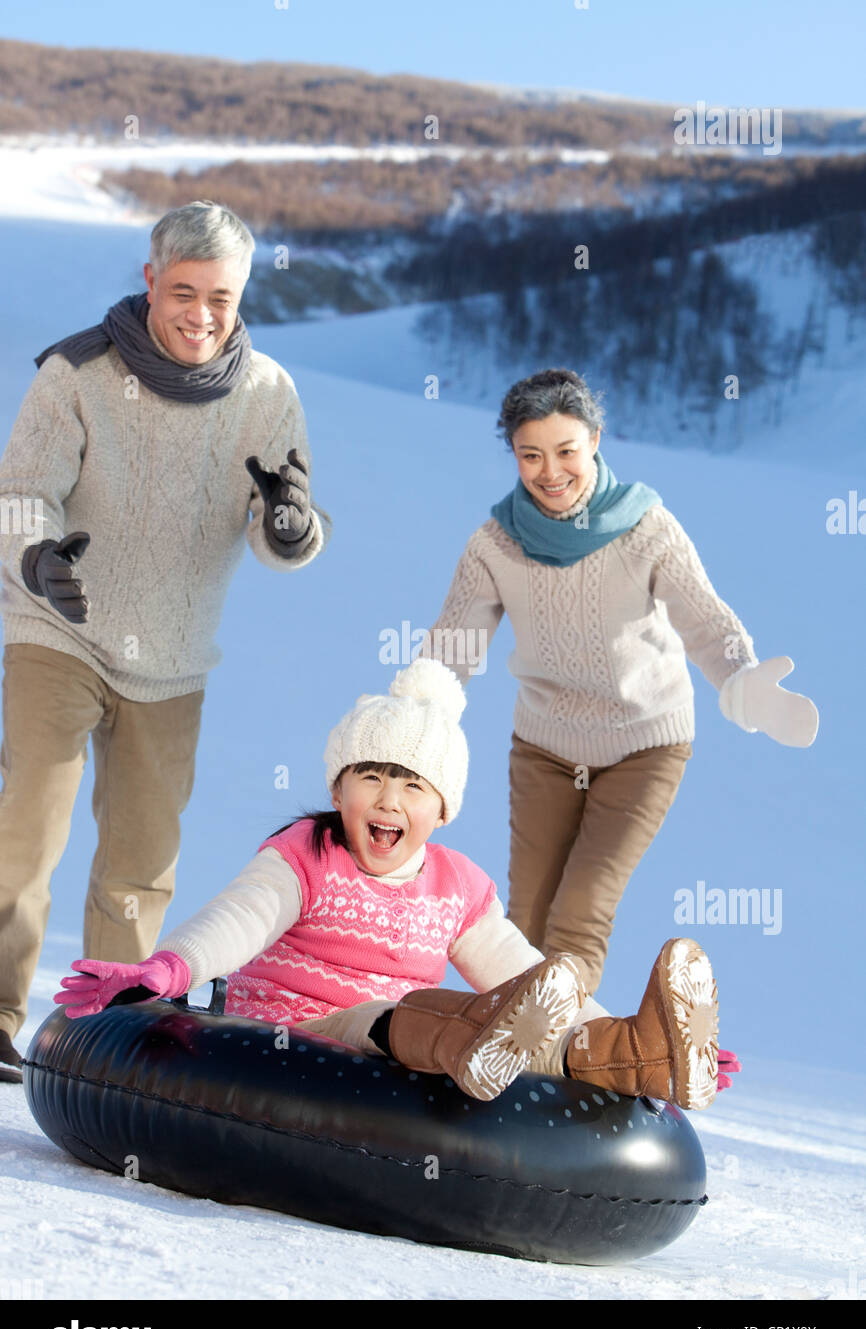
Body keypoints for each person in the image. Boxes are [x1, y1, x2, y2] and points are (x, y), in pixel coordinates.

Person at [54, 658, 740, 1108]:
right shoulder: (308, 852)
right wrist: (170, 969)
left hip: (401, 1047)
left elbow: (532, 977)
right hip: (294, 1039)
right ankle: (478, 1044)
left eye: (412, 786)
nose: (388, 801)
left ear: (440, 810)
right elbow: (243, 915)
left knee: (523, 1017)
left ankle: (641, 1053)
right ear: (339, 787)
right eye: (372, 777)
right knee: (400, 1014)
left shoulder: (456, 886)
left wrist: (610, 1021)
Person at [0, 200, 331, 1081]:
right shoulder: (77, 372)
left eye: (220, 297)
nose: (201, 314)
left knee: (140, 863)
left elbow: (283, 534)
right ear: (150, 280)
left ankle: (98, 1037)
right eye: (183, 292)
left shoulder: (268, 394)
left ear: (242, 293)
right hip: (57, 623)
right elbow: (22, 489)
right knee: (29, 822)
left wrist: (293, 523)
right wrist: (36, 556)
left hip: (175, 657)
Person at [427, 367, 818, 993]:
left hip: (644, 746)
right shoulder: (497, 544)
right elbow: (453, 646)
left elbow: (705, 622)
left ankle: (553, 1040)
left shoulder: (646, 528)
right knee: (524, 921)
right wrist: (422, 711)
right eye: (530, 455)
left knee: (580, 911)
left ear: (595, 441)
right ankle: (513, 1052)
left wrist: (742, 680)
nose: (550, 472)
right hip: (544, 749)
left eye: (565, 451)